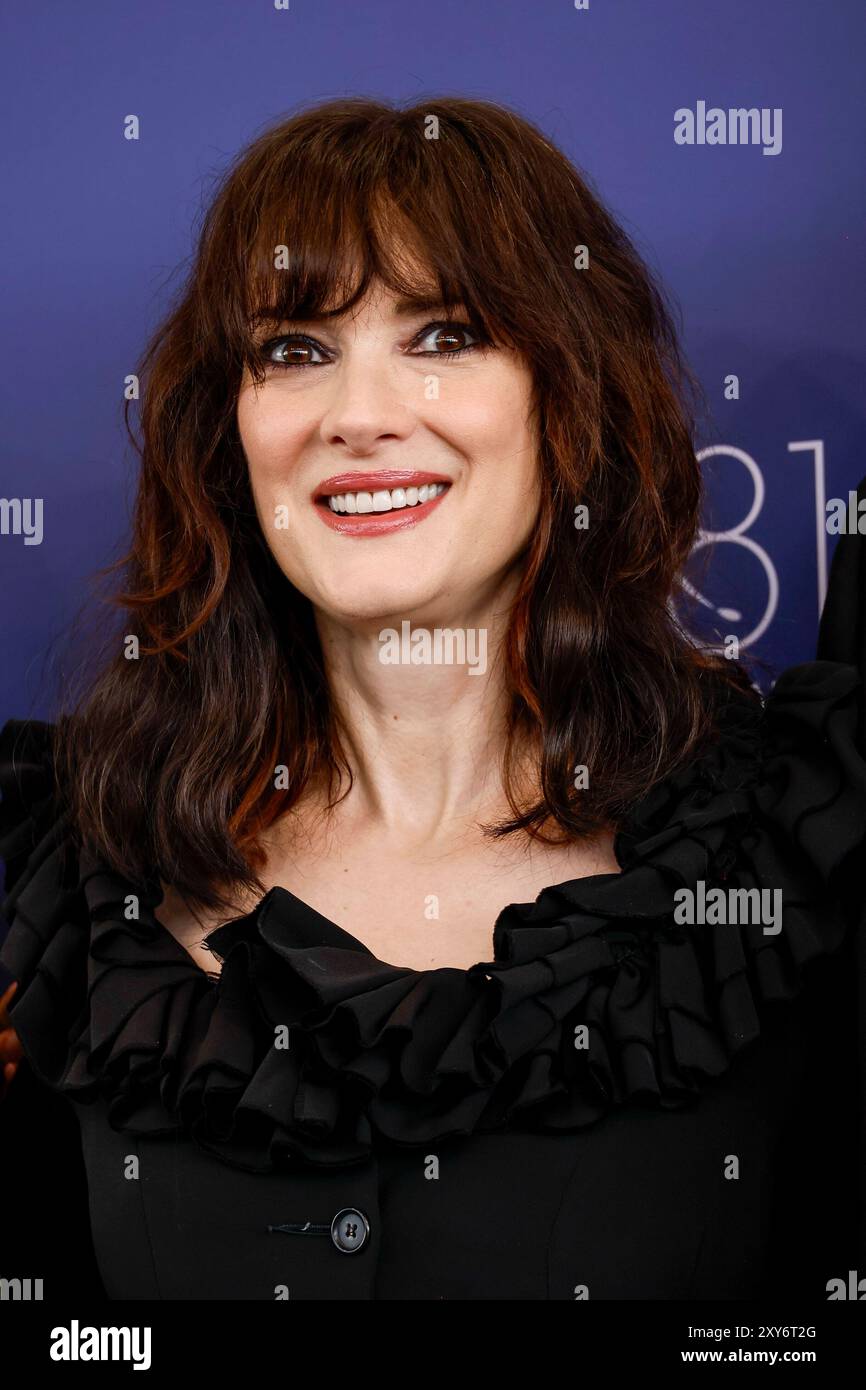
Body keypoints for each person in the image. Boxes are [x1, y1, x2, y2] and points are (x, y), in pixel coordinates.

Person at [1, 96, 864, 1301]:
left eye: (444, 335)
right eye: (294, 350)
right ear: (228, 428)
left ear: (566, 395)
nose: (357, 416)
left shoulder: (789, 851)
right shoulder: (81, 870)